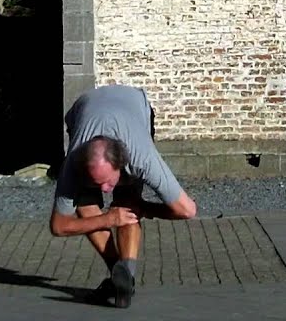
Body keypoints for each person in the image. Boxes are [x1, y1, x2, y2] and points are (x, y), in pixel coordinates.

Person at [49, 84, 198, 309]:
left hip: (135, 106)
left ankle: (124, 274)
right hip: (83, 108)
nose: (106, 189)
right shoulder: (73, 164)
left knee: (128, 198)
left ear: (122, 165)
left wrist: (144, 208)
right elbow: (58, 226)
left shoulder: (142, 159)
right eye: (98, 183)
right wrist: (108, 219)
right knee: (85, 200)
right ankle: (122, 274)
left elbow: (187, 210)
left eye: (109, 181)